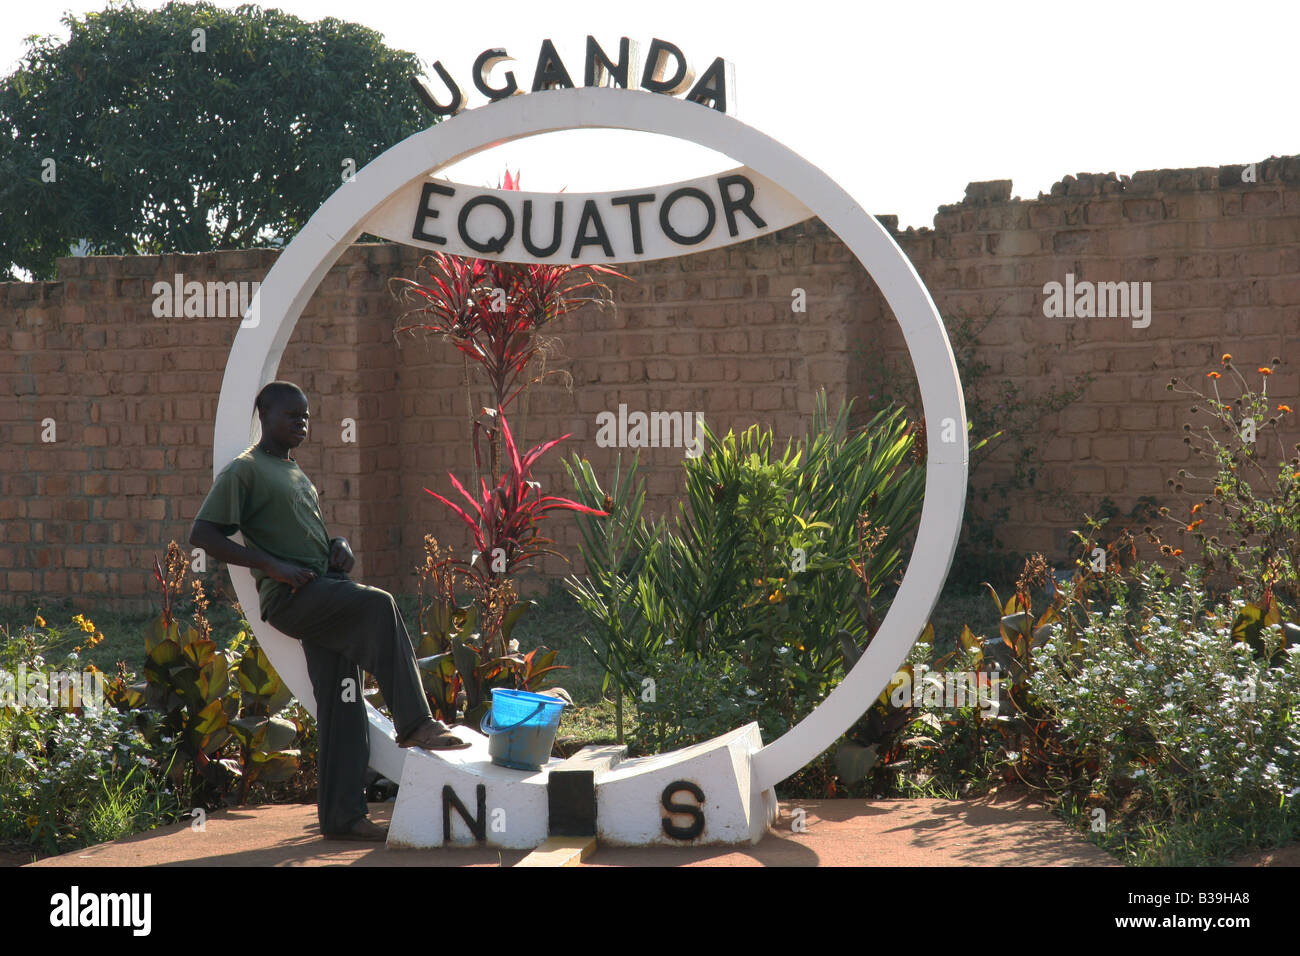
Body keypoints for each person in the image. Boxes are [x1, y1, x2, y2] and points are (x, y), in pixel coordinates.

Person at [189, 380, 468, 842]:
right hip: (293, 601)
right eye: (290, 416)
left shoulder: (292, 470)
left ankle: (342, 818)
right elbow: (204, 533)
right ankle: (415, 724)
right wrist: (270, 565)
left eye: (305, 416)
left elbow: (308, 536)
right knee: (380, 605)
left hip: (325, 590)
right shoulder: (245, 470)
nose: (301, 423)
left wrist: (338, 545)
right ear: (265, 417)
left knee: (343, 701)